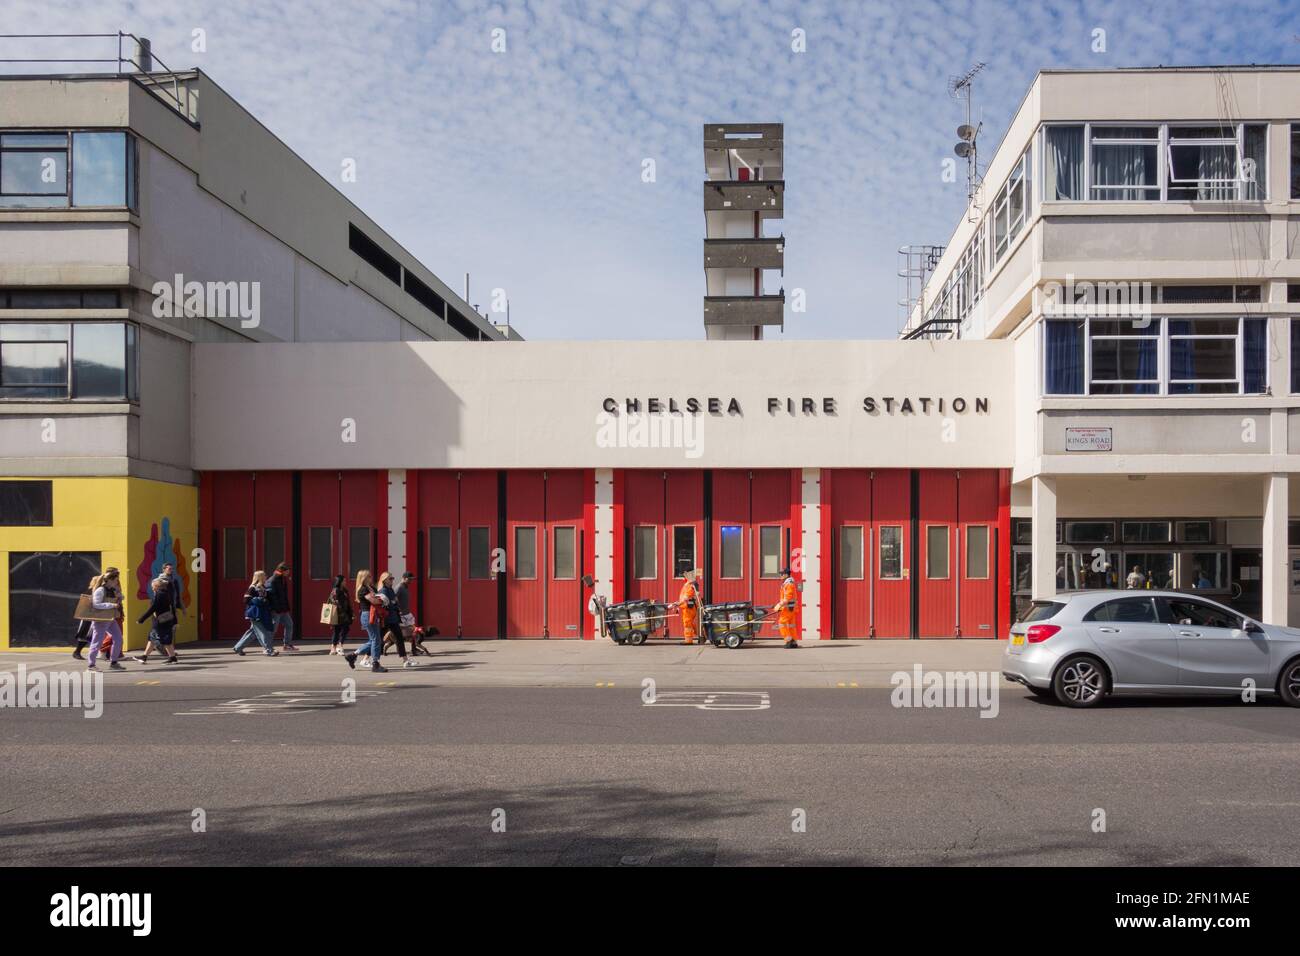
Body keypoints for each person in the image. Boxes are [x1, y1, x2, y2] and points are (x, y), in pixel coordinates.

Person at [345, 569, 388, 673]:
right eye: (368, 576)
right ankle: (375, 663)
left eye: (370, 575)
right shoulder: (363, 589)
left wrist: (382, 599)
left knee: (373, 640)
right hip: (368, 615)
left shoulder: (371, 587)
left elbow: (377, 598)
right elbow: (374, 600)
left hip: (373, 614)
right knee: (376, 640)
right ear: (363, 578)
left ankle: (353, 655)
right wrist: (383, 599)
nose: (371, 577)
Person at [133, 576, 179, 664]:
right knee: (154, 638)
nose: (152, 588)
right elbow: (172, 607)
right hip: (166, 621)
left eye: (152, 586)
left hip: (161, 622)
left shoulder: (160, 594)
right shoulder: (167, 593)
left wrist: (141, 619)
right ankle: (145, 657)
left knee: (164, 640)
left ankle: (171, 658)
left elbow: (153, 608)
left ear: (157, 586)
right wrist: (175, 621)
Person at [86, 568, 125, 670]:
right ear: (109, 580)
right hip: (101, 620)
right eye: (116, 580)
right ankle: (91, 664)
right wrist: (112, 605)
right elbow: (96, 604)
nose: (117, 582)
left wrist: (120, 595)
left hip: (110, 618)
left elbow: (122, 597)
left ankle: (114, 662)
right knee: (97, 642)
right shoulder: (100, 590)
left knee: (118, 639)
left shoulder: (113, 590)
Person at [376, 571, 415, 668]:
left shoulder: (390, 589)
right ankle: (365, 658)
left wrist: (394, 604)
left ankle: (405, 660)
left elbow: (394, 601)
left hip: (393, 619)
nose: (392, 580)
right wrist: (393, 604)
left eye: (392, 578)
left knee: (399, 638)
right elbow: (387, 604)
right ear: (384, 580)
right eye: (390, 578)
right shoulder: (383, 591)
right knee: (377, 640)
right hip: (386, 619)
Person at [233, 570, 277, 656]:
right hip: (256, 614)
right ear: (260, 577)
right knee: (263, 632)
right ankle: (269, 650)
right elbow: (246, 599)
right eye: (264, 575)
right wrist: (259, 600)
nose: (266, 576)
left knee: (252, 633)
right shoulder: (253, 587)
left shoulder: (263, 587)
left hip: (262, 613)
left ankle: (238, 647)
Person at [266, 562, 297, 651]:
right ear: (282, 571)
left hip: (282, 609)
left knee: (289, 624)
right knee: (273, 628)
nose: (288, 573)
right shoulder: (273, 580)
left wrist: (285, 607)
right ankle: (268, 647)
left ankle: (287, 644)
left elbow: (282, 595)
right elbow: (272, 596)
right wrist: (277, 608)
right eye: (287, 571)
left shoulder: (282, 579)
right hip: (276, 609)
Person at [71, 573, 98, 660]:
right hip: (88, 617)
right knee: (84, 634)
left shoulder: (95, 591)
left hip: (92, 616)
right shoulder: (90, 591)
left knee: (89, 635)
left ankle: (79, 652)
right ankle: (77, 652)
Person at [328, 574, 352, 655]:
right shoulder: (336, 590)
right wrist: (341, 610)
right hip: (338, 614)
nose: (345, 582)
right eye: (344, 581)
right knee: (337, 630)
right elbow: (334, 601)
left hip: (344, 612)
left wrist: (350, 611)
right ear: (340, 582)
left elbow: (348, 602)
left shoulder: (345, 590)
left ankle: (337, 646)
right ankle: (336, 647)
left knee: (344, 629)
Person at [775, 566, 799, 649]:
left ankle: (788, 641)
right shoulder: (788, 583)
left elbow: (788, 597)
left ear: (786, 574)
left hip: (788, 608)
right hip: (790, 608)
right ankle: (794, 642)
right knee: (791, 625)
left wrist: (779, 605)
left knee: (782, 623)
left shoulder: (788, 584)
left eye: (782, 574)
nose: (780, 575)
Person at [677, 569, 700, 645]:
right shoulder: (689, 583)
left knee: (687, 624)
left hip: (688, 607)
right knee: (690, 623)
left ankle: (688, 640)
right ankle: (701, 634)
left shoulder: (691, 585)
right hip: (686, 607)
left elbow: (687, 596)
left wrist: (678, 603)